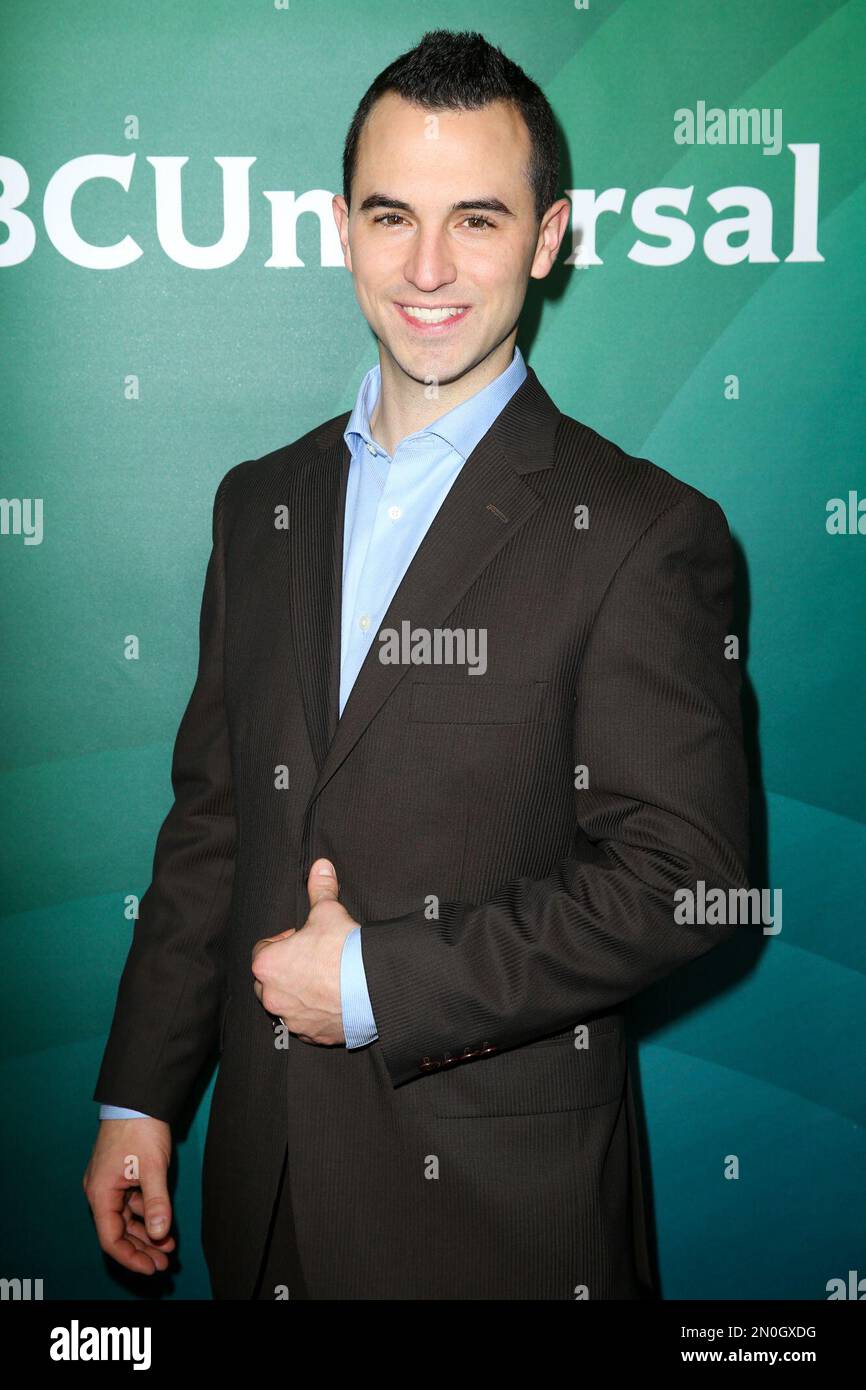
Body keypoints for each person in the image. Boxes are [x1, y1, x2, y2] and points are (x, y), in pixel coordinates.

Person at [84, 28, 749, 1300]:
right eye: (393, 216)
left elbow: (688, 881)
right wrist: (141, 1098)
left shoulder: (640, 533)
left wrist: (384, 981)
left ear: (547, 239)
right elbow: (214, 827)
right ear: (341, 227)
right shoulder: (257, 503)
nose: (428, 268)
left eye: (478, 220)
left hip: (501, 1230)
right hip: (261, 1199)